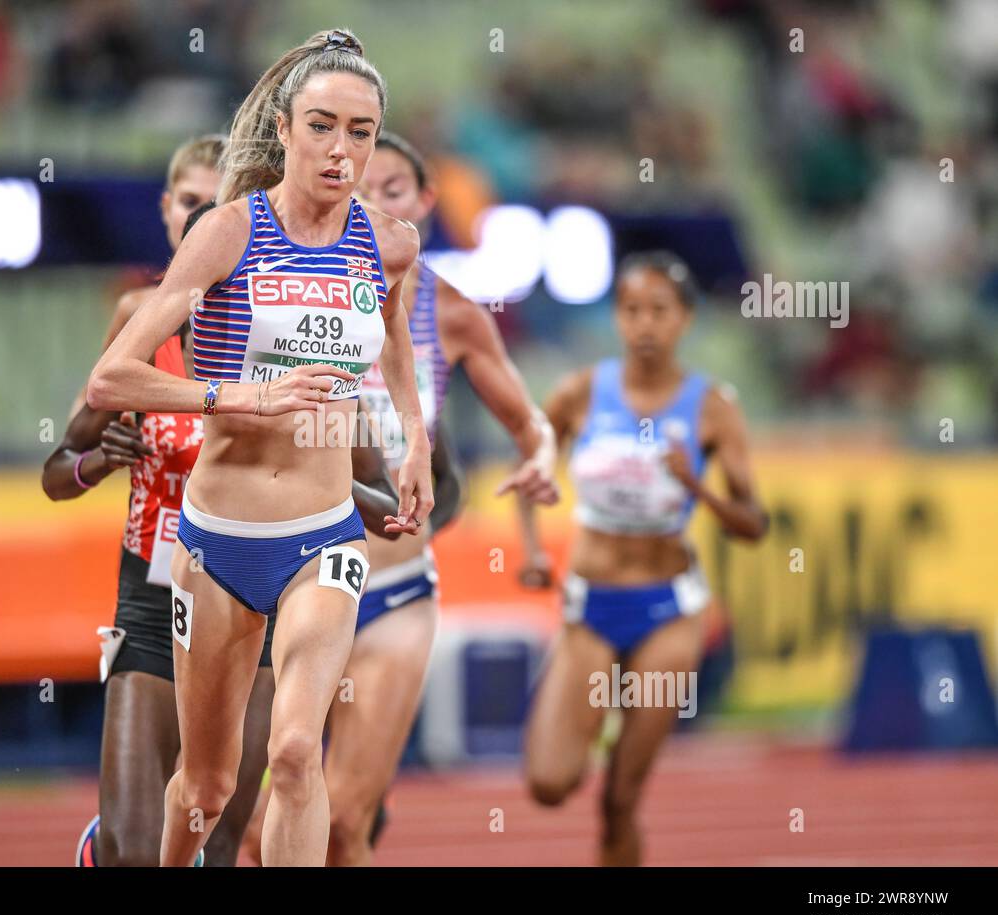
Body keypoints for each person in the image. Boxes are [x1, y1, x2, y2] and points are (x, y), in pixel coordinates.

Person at [86, 28, 432, 866]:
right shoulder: (228, 234)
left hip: (322, 539)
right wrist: (237, 395)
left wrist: (411, 437)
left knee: (292, 753)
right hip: (215, 539)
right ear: (282, 128)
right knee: (204, 787)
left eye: (360, 132)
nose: (341, 149)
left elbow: (392, 347)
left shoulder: (391, 244)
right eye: (321, 126)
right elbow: (111, 380)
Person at [317, 130, 559, 866]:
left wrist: (541, 459)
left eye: (392, 191)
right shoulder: (294, 298)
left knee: (342, 824)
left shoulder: (452, 313)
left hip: (392, 587)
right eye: (358, 191)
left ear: (423, 203)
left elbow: (529, 422)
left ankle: (365, 792)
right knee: (255, 827)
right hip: (288, 580)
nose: (374, 207)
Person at [522, 251, 768, 866]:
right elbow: (527, 467)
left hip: (668, 609)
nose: (645, 325)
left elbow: (754, 524)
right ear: (616, 319)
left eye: (660, 311)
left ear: (686, 319)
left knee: (621, 800)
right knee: (549, 784)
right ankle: (582, 733)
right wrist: (530, 546)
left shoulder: (713, 407)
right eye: (631, 311)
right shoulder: (580, 393)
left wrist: (699, 488)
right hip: (590, 603)